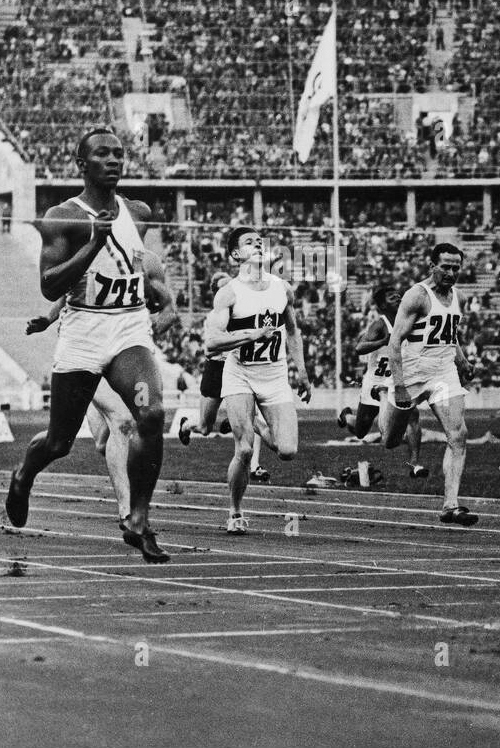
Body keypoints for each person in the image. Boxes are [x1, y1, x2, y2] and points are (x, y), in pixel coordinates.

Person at [5, 128, 169, 563]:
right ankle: (23, 474)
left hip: (128, 329)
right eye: (102, 154)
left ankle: (138, 519)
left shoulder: (139, 212)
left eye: (119, 154)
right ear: (82, 163)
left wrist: (150, 286)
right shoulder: (62, 216)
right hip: (83, 333)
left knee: (151, 414)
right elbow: (48, 284)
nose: (114, 160)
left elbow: (138, 264)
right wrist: (93, 242)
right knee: (59, 442)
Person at [26, 243, 178, 533]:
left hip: (126, 356)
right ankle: (127, 512)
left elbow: (169, 310)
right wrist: (47, 319)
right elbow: (68, 295)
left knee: (104, 440)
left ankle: (126, 499)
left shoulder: (149, 261)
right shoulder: (87, 253)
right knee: (120, 423)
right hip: (87, 354)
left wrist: (145, 332)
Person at [204, 226, 310, 535]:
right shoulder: (230, 293)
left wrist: (301, 369)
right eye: (250, 242)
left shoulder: (282, 288)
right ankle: (235, 512)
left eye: (260, 242)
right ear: (236, 254)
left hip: (275, 376)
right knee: (246, 450)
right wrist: (252, 333)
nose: (258, 245)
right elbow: (212, 341)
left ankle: (260, 425)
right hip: (240, 375)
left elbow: (291, 330)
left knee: (287, 450)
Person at [377, 242, 478, 526]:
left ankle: (451, 505)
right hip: (410, 372)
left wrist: (462, 362)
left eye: (456, 267)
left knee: (458, 435)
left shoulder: (459, 296)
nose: (450, 272)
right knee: (390, 440)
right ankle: (384, 400)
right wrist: (398, 385)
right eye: (445, 266)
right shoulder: (417, 296)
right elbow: (395, 341)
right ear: (431, 265)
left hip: (442, 372)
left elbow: (450, 333)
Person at [178, 270, 276, 483]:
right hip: (216, 368)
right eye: (223, 287)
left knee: (251, 418)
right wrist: (241, 339)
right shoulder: (213, 317)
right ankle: (187, 425)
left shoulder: (243, 311)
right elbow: (211, 349)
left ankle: (254, 464)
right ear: (216, 293)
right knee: (204, 427)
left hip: (239, 369)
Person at [337, 283, 426, 477]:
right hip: (375, 381)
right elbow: (359, 348)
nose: (398, 297)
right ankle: (347, 417)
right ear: (382, 306)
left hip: (397, 382)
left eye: (398, 295)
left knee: (412, 415)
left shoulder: (411, 321)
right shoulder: (380, 324)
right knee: (360, 431)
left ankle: (415, 464)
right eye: (391, 297)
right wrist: (383, 341)